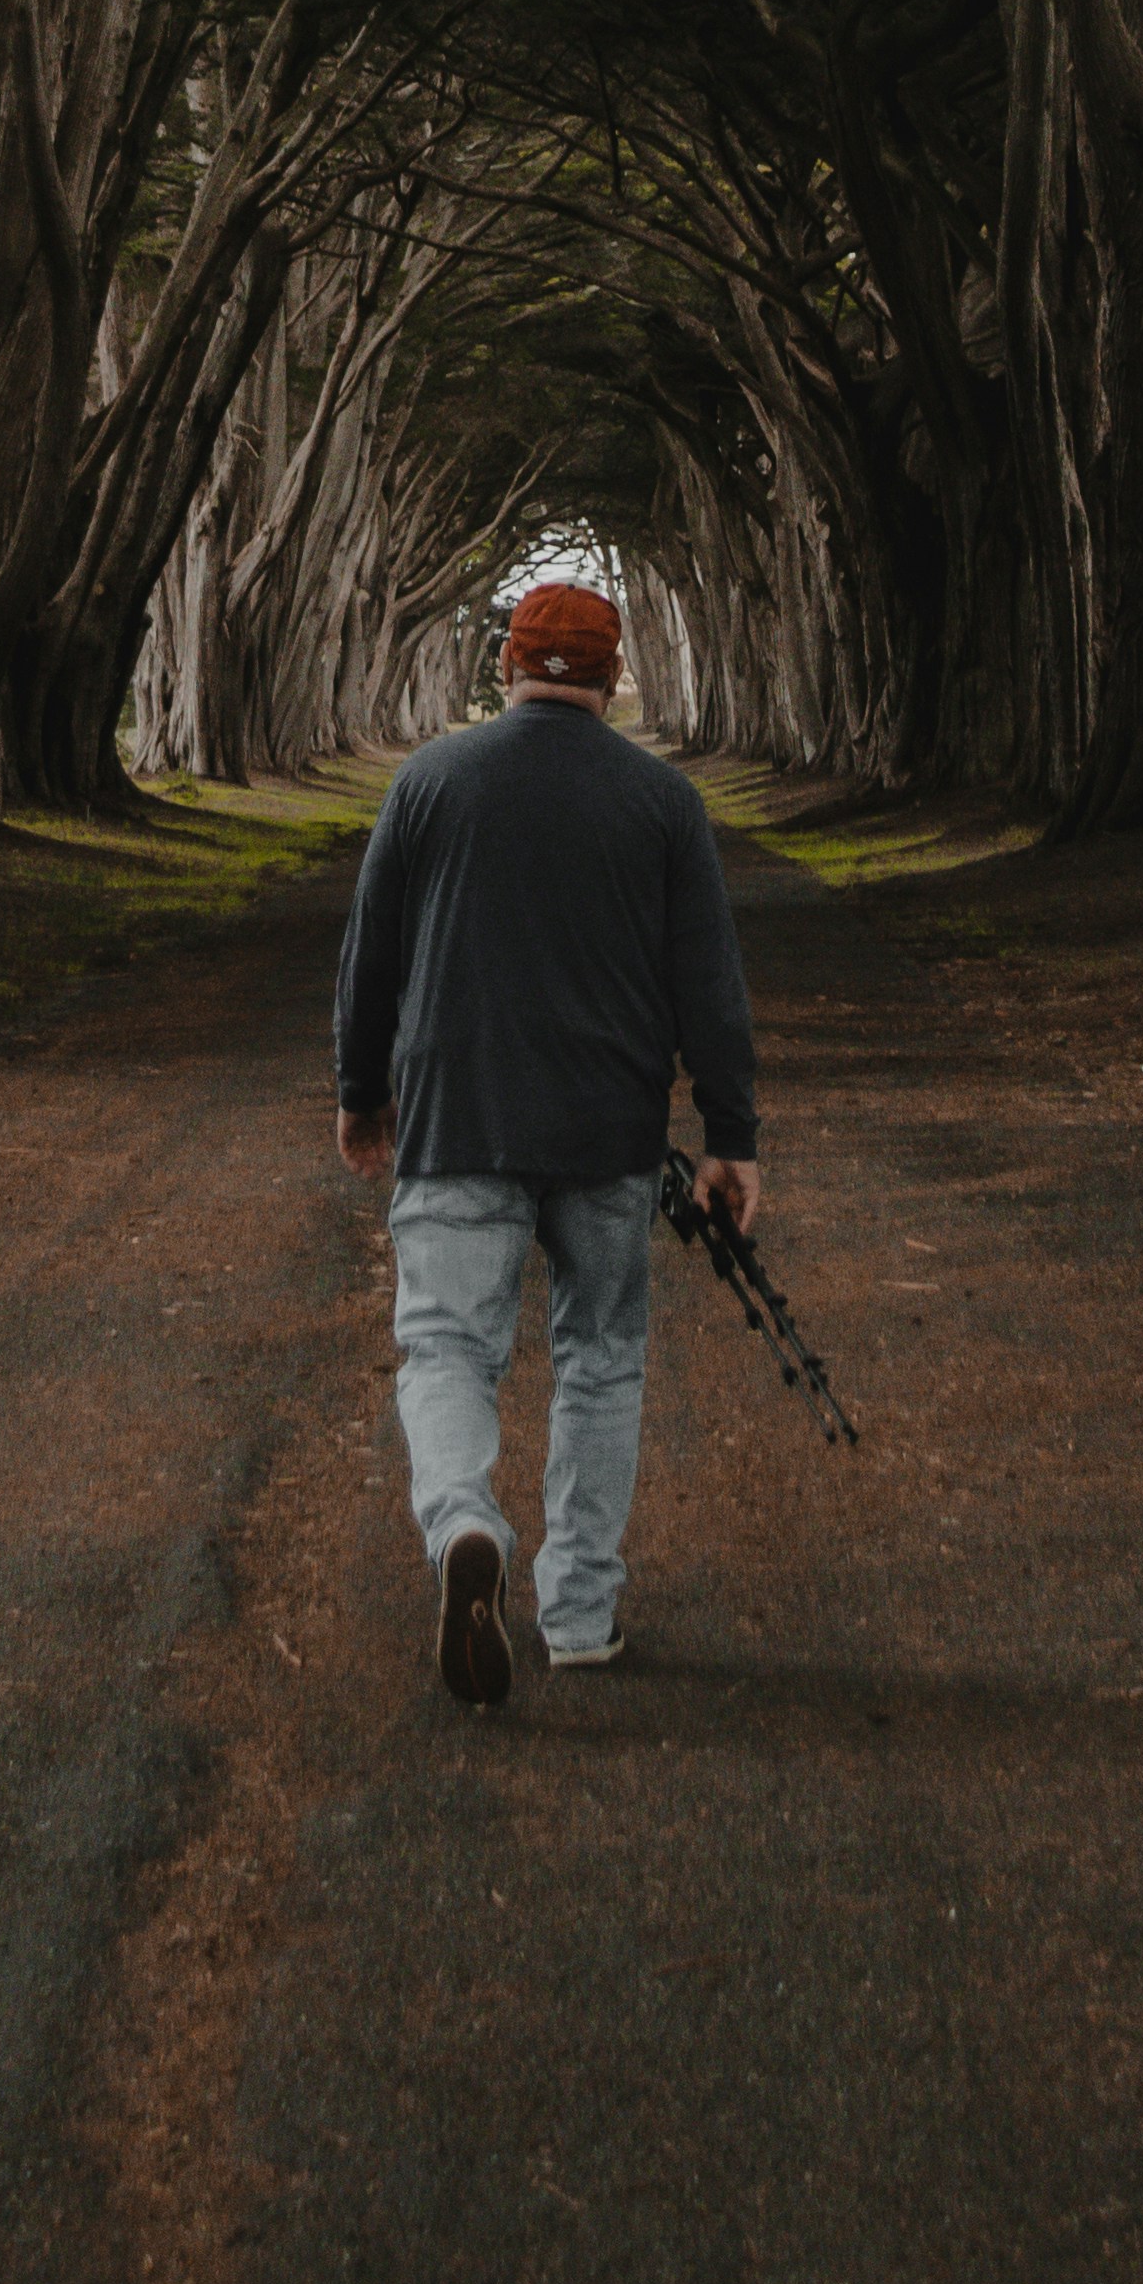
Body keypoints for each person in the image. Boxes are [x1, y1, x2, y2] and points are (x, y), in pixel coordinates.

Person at [331, 575, 760, 1705]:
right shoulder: (662, 803)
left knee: (444, 1352)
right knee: (599, 1363)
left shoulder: (429, 780)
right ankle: (577, 1616)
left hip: (454, 1118)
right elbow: (708, 986)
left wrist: (356, 1089)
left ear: (506, 665)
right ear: (613, 678)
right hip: (608, 1129)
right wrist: (730, 1134)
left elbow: (369, 955)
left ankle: (466, 1526)